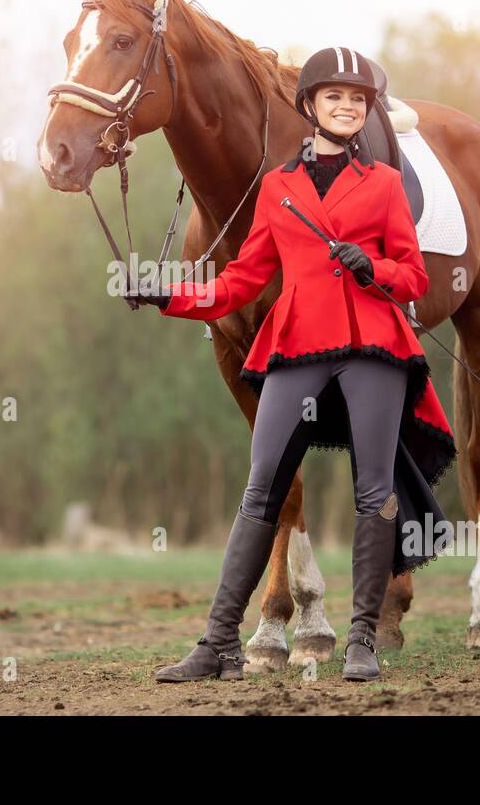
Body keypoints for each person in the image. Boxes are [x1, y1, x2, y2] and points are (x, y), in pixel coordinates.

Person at [127, 47, 456, 683]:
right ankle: (219, 643)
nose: (347, 107)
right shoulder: (277, 188)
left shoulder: (386, 185)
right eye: (334, 97)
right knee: (261, 490)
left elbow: (413, 276)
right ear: (309, 108)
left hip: (374, 349)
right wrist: (164, 292)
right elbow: (239, 283)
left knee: (374, 493)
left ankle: (361, 638)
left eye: (358, 100)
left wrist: (376, 268)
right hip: (298, 347)